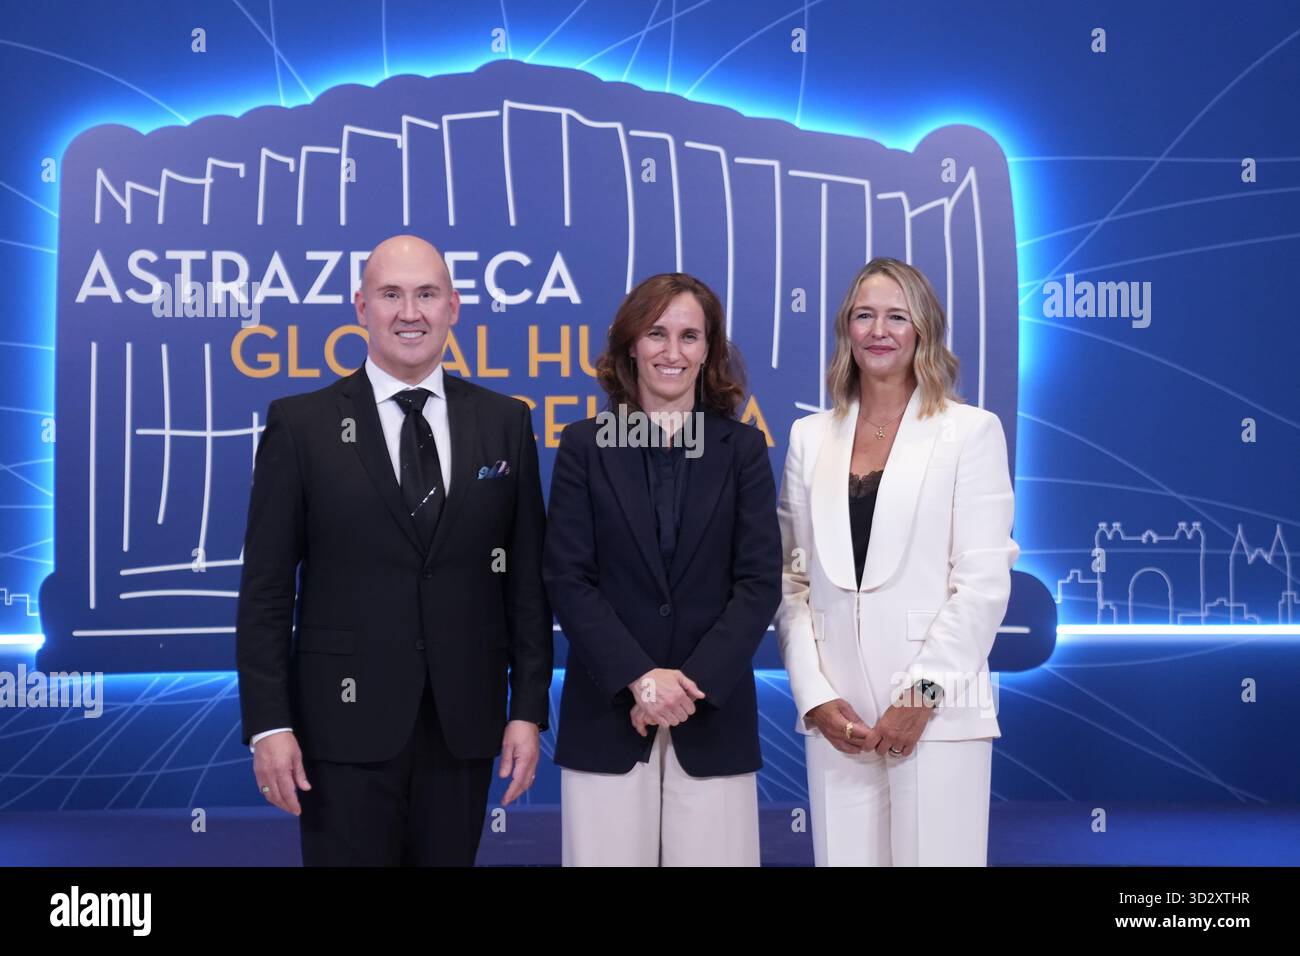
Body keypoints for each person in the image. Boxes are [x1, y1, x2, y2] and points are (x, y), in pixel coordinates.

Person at [236, 234, 552, 866]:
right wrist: (270, 725)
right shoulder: (301, 425)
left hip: (463, 726)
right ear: (361, 306)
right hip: (339, 730)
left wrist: (528, 712)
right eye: (391, 294)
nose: (410, 312)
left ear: (454, 307)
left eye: (427, 294)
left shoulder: (505, 422)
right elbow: (267, 591)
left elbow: (525, 585)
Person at [775, 257, 1019, 866]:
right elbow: (790, 580)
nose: (878, 330)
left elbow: (983, 585)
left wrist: (923, 693)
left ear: (923, 331)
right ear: (846, 330)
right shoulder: (810, 437)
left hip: (937, 710)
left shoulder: (970, 431)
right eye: (864, 315)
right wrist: (813, 696)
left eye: (896, 316)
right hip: (839, 717)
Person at [543, 273, 781, 866]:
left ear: (709, 350)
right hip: (607, 715)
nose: (672, 352)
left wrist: (689, 684)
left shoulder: (743, 450)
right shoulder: (584, 445)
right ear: (630, 345)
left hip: (714, 715)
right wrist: (640, 680)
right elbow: (568, 579)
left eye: (690, 336)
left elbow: (758, 583)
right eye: (656, 333)